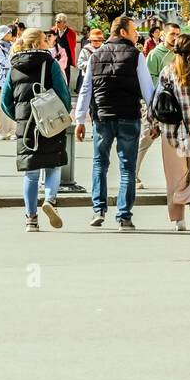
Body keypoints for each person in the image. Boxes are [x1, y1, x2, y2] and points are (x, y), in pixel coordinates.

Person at [73, 16, 153, 230]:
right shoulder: (136, 55)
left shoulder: (95, 55)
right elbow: (147, 89)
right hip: (129, 115)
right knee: (127, 167)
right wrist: (153, 116)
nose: (137, 35)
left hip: (102, 116)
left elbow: (86, 88)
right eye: (134, 31)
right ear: (124, 32)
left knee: (100, 163)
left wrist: (80, 119)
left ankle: (98, 209)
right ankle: (124, 216)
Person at [0, 28, 71, 232]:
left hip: (27, 125)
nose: (48, 42)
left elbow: (5, 101)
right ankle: (50, 199)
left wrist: (20, 117)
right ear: (39, 43)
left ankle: (31, 218)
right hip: (49, 121)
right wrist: (64, 112)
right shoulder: (50, 63)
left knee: (30, 173)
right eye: (45, 39)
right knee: (53, 165)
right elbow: (63, 93)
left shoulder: (14, 66)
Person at [156, 33, 190, 231]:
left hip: (172, 132)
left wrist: (152, 124)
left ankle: (180, 221)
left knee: (176, 176)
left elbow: (157, 99)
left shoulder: (168, 71)